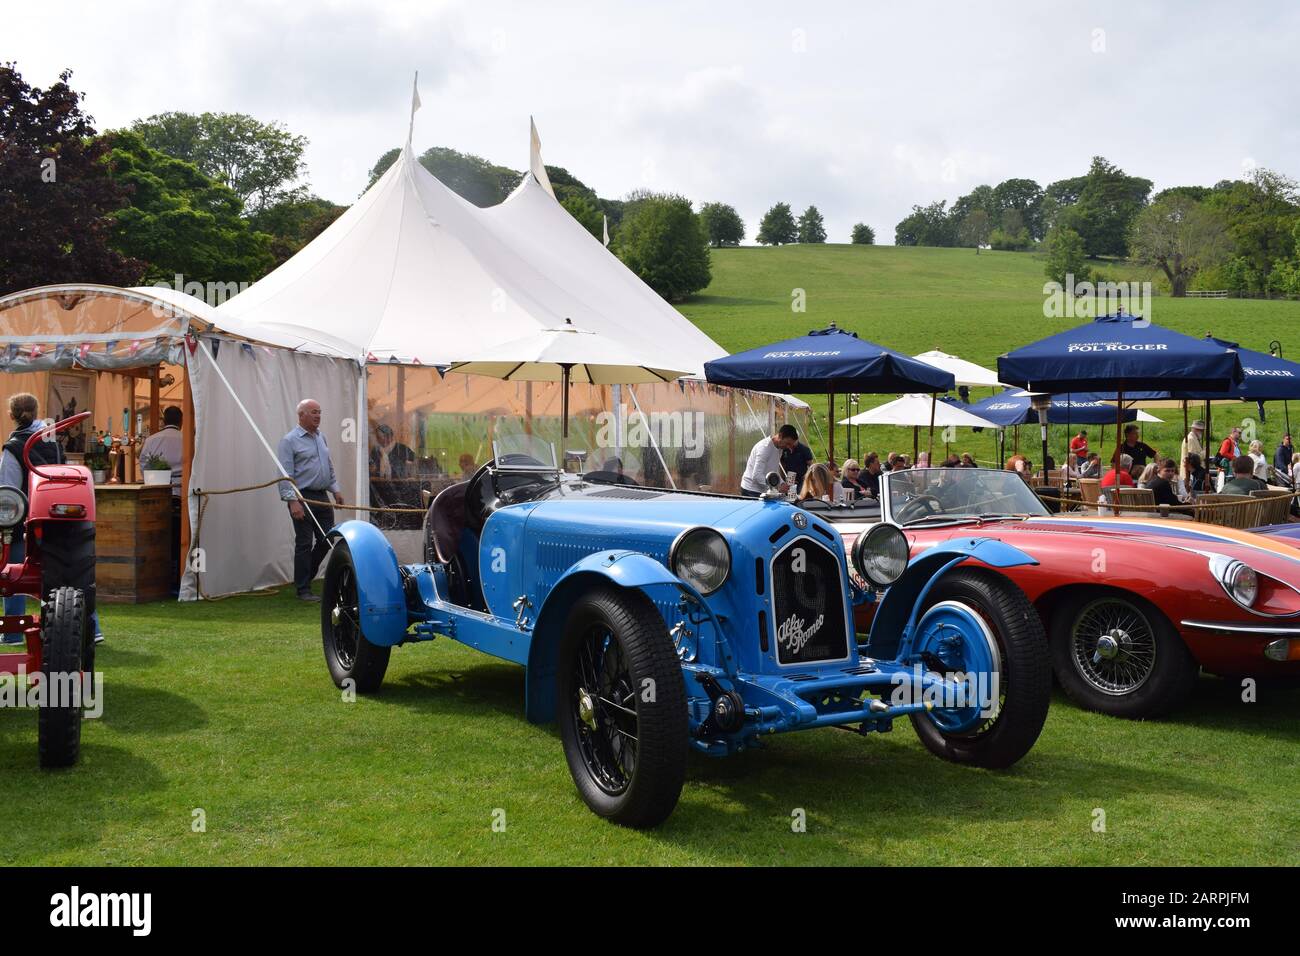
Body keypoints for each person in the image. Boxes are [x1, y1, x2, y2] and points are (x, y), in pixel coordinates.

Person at [1, 393, 104, 644]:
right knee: (70, 575)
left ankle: (13, 632)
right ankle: (92, 626)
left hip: (24, 519)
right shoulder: (53, 443)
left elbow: (9, 489)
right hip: (54, 518)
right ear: (36, 412)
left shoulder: (13, 446)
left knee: (11, 573)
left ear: (11, 415)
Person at [277, 399, 345, 602]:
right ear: (301, 415)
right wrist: (292, 501)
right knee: (304, 543)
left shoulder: (321, 437)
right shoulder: (289, 441)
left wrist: (336, 490)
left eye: (319, 412)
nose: (318, 416)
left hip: (321, 497)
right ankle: (303, 589)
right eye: (313, 412)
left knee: (327, 538)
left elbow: (328, 466)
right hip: (301, 497)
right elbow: (284, 474)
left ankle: (305, 576)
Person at [139, 405, 184, 592]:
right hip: (181, 492)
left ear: (164, 421)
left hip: (158, 493)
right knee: (178, 539)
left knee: (158, 538)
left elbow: (143, 465)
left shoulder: (151, 440)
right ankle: (177, 577)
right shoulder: (187, 439)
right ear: (181, 421)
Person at [740, 424, 798, 497]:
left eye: (790, 445)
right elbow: (757, 476)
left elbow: (773, 471)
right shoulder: (764, 448)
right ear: (780, 436)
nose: (788, 447)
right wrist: (777, 487)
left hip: (763, 490)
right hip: (751, 490)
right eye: (787, 443)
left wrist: (782, 484)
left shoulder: (779, 448)